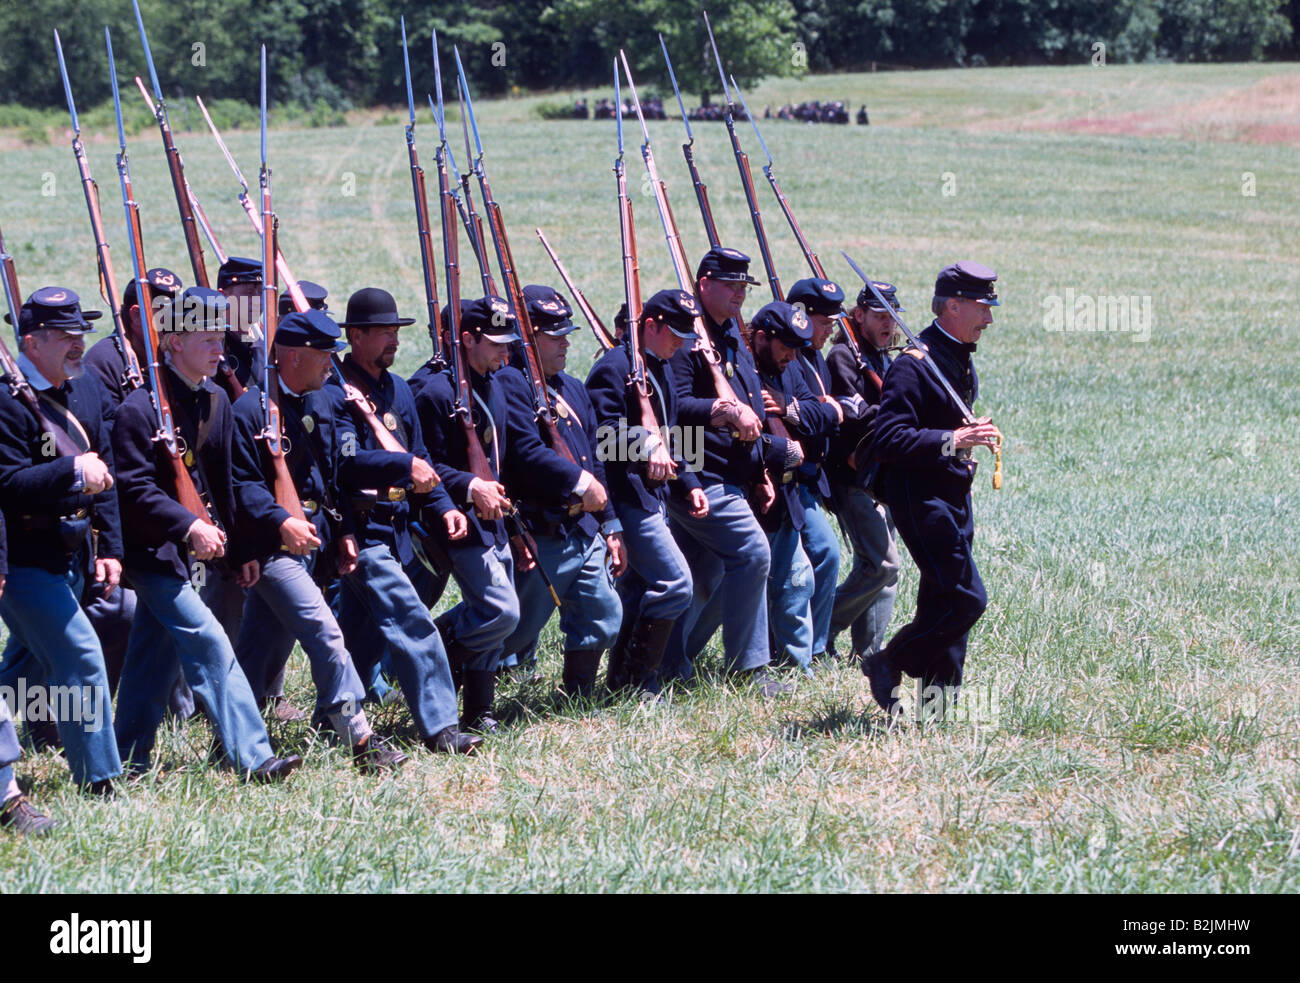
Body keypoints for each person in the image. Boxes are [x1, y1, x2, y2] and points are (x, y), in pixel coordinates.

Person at [111, 285, 301, 780]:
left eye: (220, 336)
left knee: (151, 657)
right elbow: (133, 492)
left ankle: (126, 757)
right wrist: (189, 525)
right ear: (173, 342)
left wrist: (240, 552)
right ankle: (255, 757)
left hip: (188, 551)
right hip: (149, 552)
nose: (220, 349)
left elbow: (226, 485)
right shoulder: (139, 409)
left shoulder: (215, 399)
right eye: (206, 339)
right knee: (210, 640)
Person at [230, 308, 407, 772]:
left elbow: (331, 477)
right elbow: (242, 486)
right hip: (272, 547)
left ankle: (230, 742)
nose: (332, 364)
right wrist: (278, 521)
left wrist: (344, 530)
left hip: (314, 541)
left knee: (255, 649)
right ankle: (360, 739)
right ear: (292, 358)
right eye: (323, 355)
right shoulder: (250, 409)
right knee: (328, 636)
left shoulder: (321, 402)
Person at [329, 287, 482, 754]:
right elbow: (344, 461)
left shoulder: (396, 390)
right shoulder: (335, 391)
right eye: (384, 332)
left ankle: (327, 717)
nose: (394, 339)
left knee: (358, 638)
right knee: (414, 623)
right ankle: (442, 728)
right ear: (355, 335)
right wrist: (401, 469)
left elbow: (421, 459)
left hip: (396, 528)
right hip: (359, 529)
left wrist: (444, 506)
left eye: (397, 331)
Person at [863, 261, 1003, 720]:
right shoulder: (913, 365)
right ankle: (889, 661)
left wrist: (963, 441)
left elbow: (943, 424)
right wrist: (952, 441)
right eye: (982, 308)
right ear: (953, 306)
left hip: (953, 492)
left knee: (942, 598)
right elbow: (888, 439)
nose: (988, 318)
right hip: (919, 496)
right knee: (967, 598)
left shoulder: (958, 356)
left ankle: (939, 705)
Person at [0, 287, 123, 793]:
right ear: (32, 342)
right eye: (67, 338)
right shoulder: (7, 403)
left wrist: (111, 547)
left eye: (81, 336)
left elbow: (108, 470)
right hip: (26, 559)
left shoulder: (85, 387)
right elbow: (7, 485)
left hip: (75, 551)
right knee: (81, 654)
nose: (79, 346)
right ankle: (101, 780)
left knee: (25, 664)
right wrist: (70, 468)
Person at [662, 246, 790, 697]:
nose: (740, 292)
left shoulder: (729, 335)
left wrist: (759, 472)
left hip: (734, 472)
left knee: (701, 577)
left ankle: (671, 663)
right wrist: (720, 410)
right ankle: (748, 668)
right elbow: (671, 409)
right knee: (753, 555)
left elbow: (751, 405)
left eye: (744, 286)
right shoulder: (686, 337)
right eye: (731, 284)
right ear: (704, 284)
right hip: (698, 472)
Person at [496, 285, 624, 698]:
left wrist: (610, 524)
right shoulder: (510, 384)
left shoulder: (571, 387)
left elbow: (595, 456)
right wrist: (578, 483)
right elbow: (524, 452)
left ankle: (581, 695)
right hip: (540, 525)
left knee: (602, 612)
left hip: (582, 528)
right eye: (555, 336)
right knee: (509, 631)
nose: (566, 341)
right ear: (528, 338)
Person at [586, 289, 709, 697]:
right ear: (650, 325)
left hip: (652, 496)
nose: (680, 343)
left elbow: (674, 436)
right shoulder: (614, 367)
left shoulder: (661, 366)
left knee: (640, 591)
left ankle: (621, 683)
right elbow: (600, 440)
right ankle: (642, 682)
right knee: (676, 584)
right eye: (673, 333)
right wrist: (644, 443)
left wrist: (689, 483)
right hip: (625, 497)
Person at [409, 296, 522, 733]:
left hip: (495, 518)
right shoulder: (436, 390)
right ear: (467, 339)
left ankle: (479, 709)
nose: (504, 352)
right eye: (494, 343)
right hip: (458, 518)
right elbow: (424, 462)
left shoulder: (490, 381)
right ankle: (429, 654)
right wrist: (470, 486)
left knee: (496, 625)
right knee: (501, 612)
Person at [749, 300, 841, 674]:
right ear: (760, 338)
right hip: (758, 483)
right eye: (785, 347)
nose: (791, 355)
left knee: (814, 564)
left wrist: (787, 408)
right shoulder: (744, 369)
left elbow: (826, 416)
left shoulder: (790, 369)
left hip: (794, 485)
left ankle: (808, 655)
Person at [826, 280, 904, 665]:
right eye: (879, 316)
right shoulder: (844, 355)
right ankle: (821, 627)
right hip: (852, 475)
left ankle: (868, 652)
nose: (888, 324)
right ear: (858, 316)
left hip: (880, 475)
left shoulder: (881, 357)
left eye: (892, 316)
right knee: (882, 564)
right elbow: (853, 413)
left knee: (885, 574)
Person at [782, 278, 853, 663]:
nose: (830, 330)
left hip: (812, 476)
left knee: (820, 559)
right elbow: (808, 416)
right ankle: (803, 651)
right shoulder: (789, 357)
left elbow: (829, 412)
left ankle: (815, 646)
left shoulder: (815, 358)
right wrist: (826, 411)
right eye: (824, 322)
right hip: (789, 476)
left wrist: (828, 411)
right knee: (820, 556)